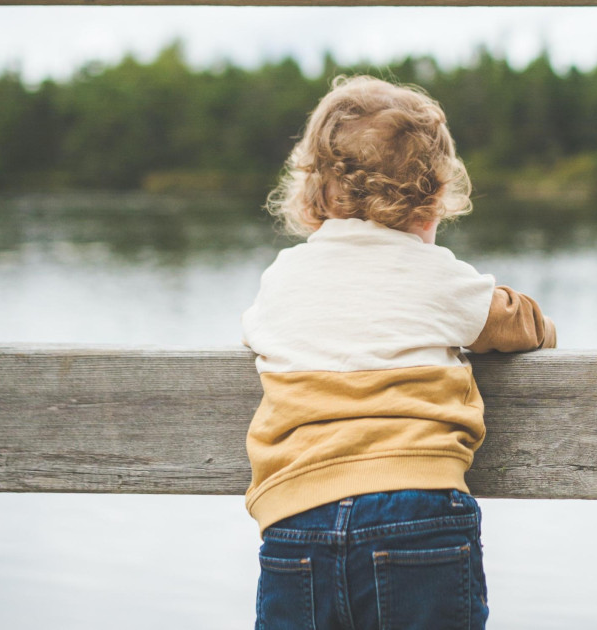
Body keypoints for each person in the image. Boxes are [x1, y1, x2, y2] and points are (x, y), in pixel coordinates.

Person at [241, 75, 556, 630]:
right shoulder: (436, 276)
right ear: (434, 196)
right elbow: (520, 327)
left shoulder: (282, 277)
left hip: (295, 520)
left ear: (313, 193)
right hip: (418, 514)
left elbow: (257, 334)